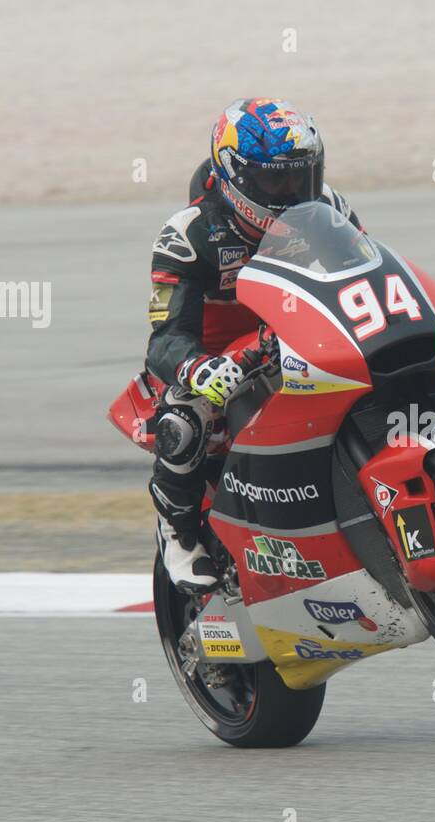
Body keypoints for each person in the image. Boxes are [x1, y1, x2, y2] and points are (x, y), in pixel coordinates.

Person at [144, 98, 360, 591]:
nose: (291, 192)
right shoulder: (189, 235)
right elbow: (165, 340)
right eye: (276, 180)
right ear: (234, 176)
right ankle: (178, 531)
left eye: (301, 176)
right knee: (184, 414)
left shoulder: (330, 209)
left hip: (307, 339)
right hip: (225, 364)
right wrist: (199, 369)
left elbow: (365, 273)